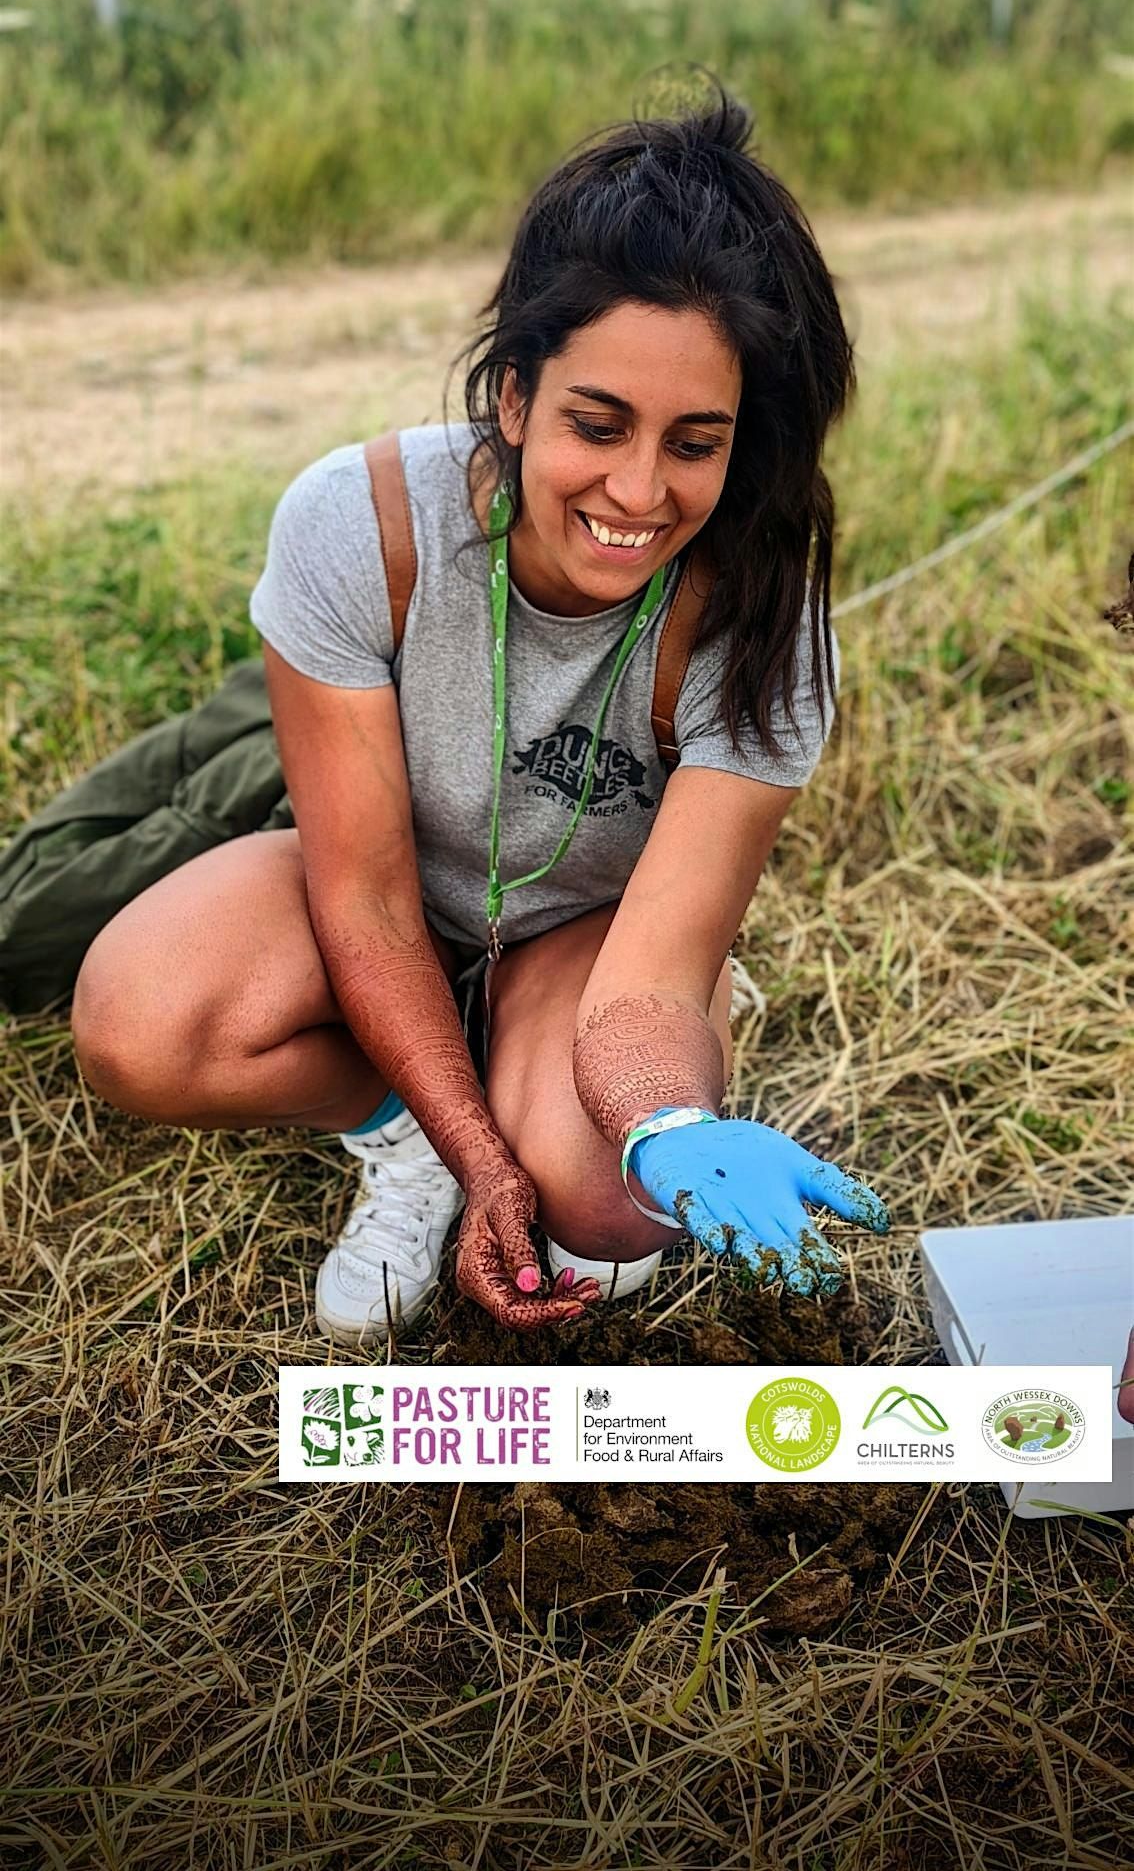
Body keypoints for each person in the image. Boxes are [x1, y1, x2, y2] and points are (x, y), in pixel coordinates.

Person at [69, 76, 889, 1342]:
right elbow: (365, 896)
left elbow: (650, 988)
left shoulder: (765, 619)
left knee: (611, 1212)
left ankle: (535, 1092)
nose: (638, 490)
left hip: (588, 941)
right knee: (138, 1023)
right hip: (390, 896)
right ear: (513, 395)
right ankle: (404, 1137)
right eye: (596, 423)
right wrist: (471, 1153)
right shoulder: (359, 526)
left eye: (694, 442)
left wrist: (666, 1130)